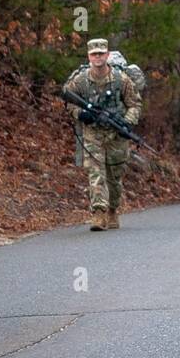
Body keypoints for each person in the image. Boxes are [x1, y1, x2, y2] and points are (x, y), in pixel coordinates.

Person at [63, 38, 143, 231]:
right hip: (93, 134)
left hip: (116, 134)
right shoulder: (81, 80)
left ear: (107, 55)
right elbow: (68, 99)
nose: (97, 57)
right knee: (95, 172)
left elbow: (135, 104)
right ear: (89, 56)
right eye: (94, 54)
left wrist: (128, 121)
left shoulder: (120, 79)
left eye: (101, 53)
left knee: (114, 177)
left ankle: (113, 209)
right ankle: (98, 213)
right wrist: (81, 114)